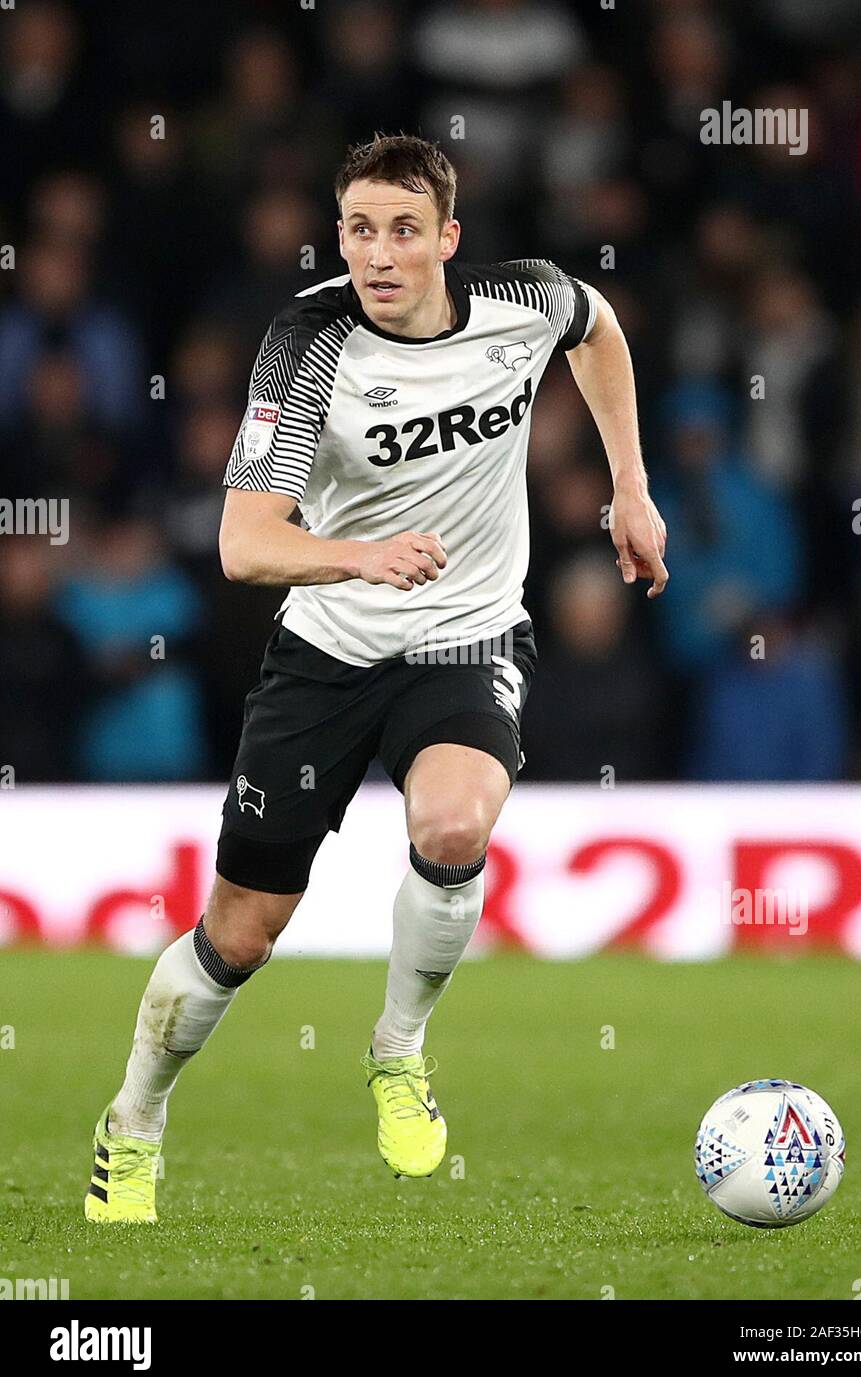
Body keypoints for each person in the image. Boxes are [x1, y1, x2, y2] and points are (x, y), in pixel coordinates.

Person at [84, 132, 668, 1222]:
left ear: (448, 236)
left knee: (452, 829)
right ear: (339, 234)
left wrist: (631, 486)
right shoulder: (306, 343)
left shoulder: (523, 300)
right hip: (329, 653)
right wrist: (360, 554)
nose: (380, 252)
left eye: (404, 229)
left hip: (469, 641)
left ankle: (398, 1047)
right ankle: (135, 1118)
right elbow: (245, 545)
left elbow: (599, 330)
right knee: (241, 934)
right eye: (359, 228)